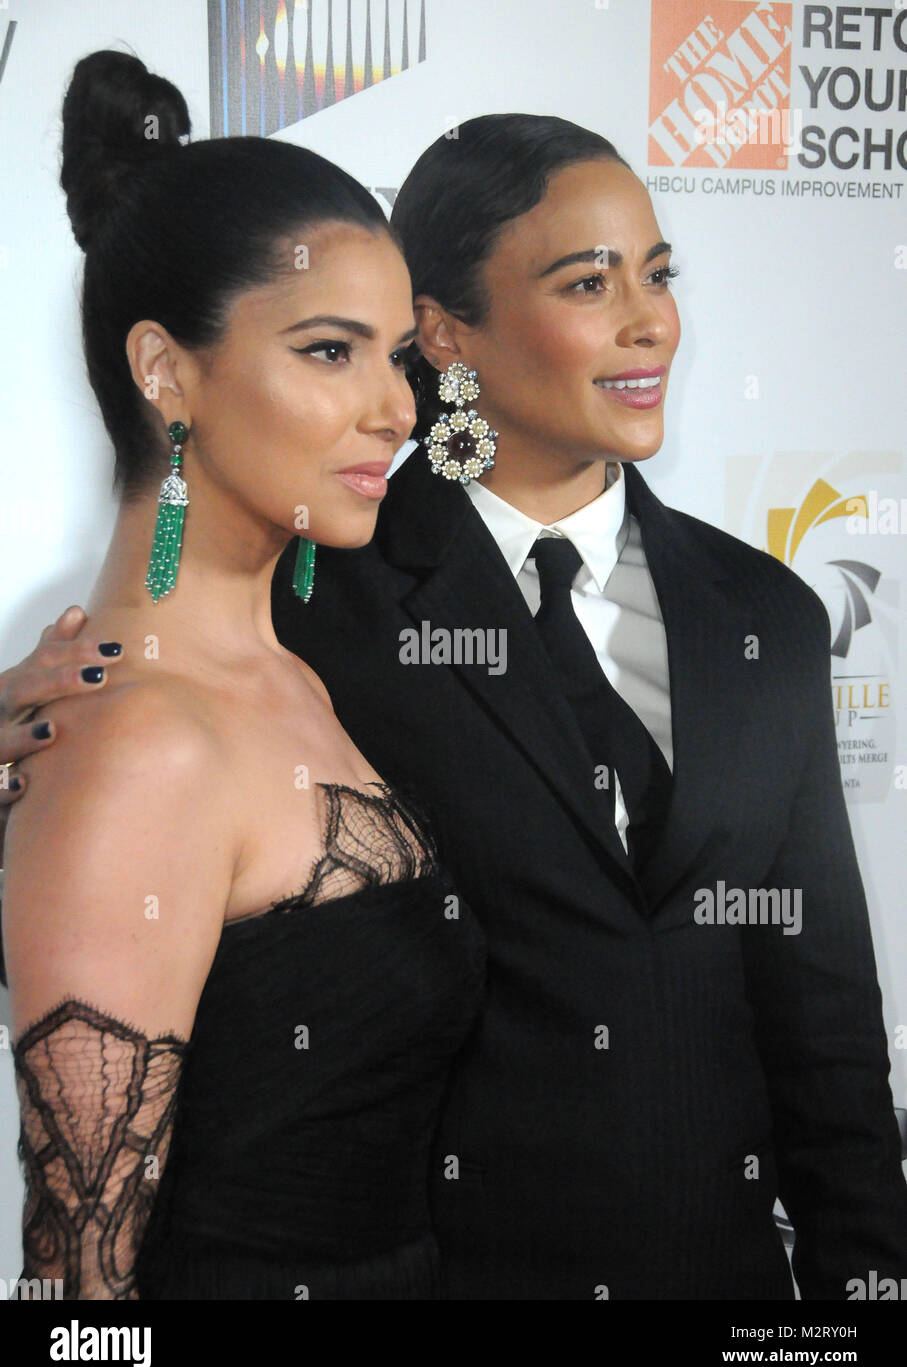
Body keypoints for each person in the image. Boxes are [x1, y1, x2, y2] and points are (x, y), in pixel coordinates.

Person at [4, 110, 906, 1300]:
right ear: (450, 332)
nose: (648, 321)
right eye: (587, 281)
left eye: (658, 273)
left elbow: (828, 1038)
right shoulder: (323, 608)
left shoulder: (769, 618)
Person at [0, 51, 485, 1300]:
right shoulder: (141, 742)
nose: (394, 408)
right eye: (331, 352)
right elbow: (76, 1291)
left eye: (395, 356)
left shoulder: (298, 676)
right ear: (166, 373)